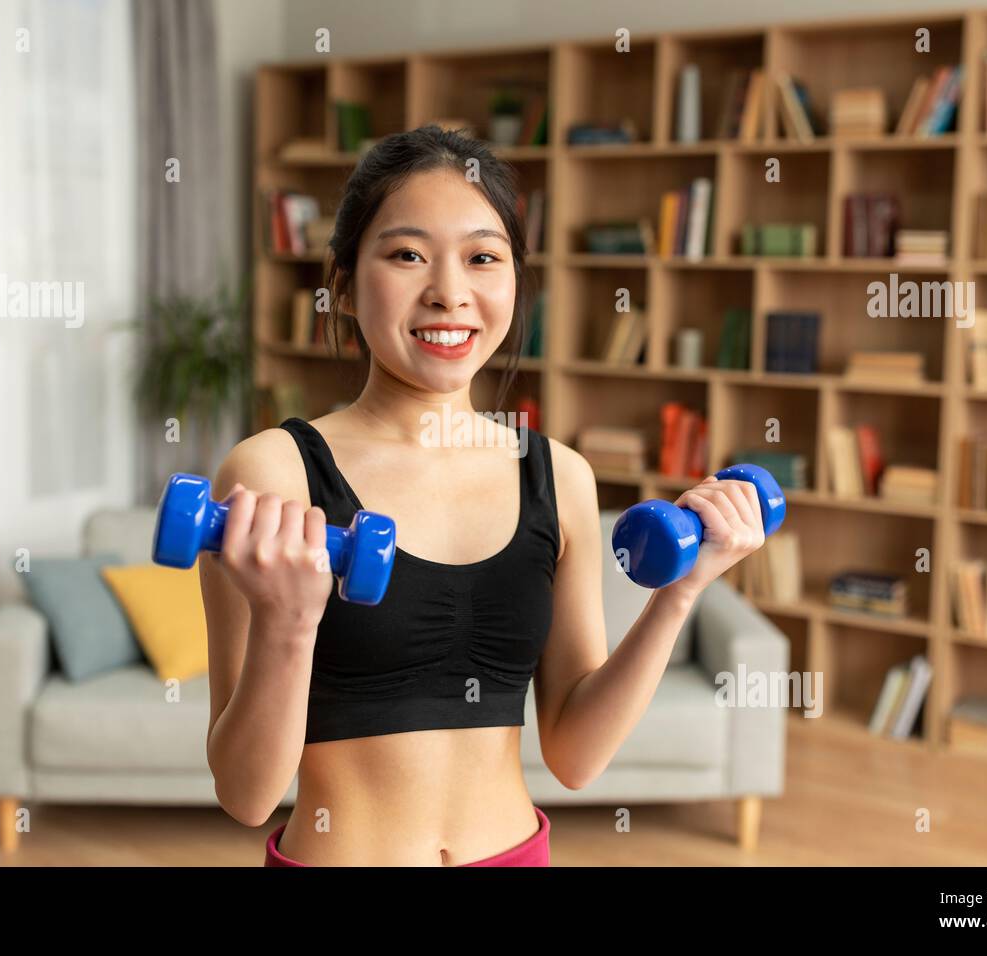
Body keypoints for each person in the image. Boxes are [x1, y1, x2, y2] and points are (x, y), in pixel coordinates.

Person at [200, 124, 765, 866]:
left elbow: (575, 754)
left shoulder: (559, 478)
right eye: (407, 255)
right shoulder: (270, 476)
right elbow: (245, 795)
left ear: (513, 283)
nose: (449, 292)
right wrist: (288, 622)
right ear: (341, 285)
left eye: (482, 258)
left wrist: (680, 594)